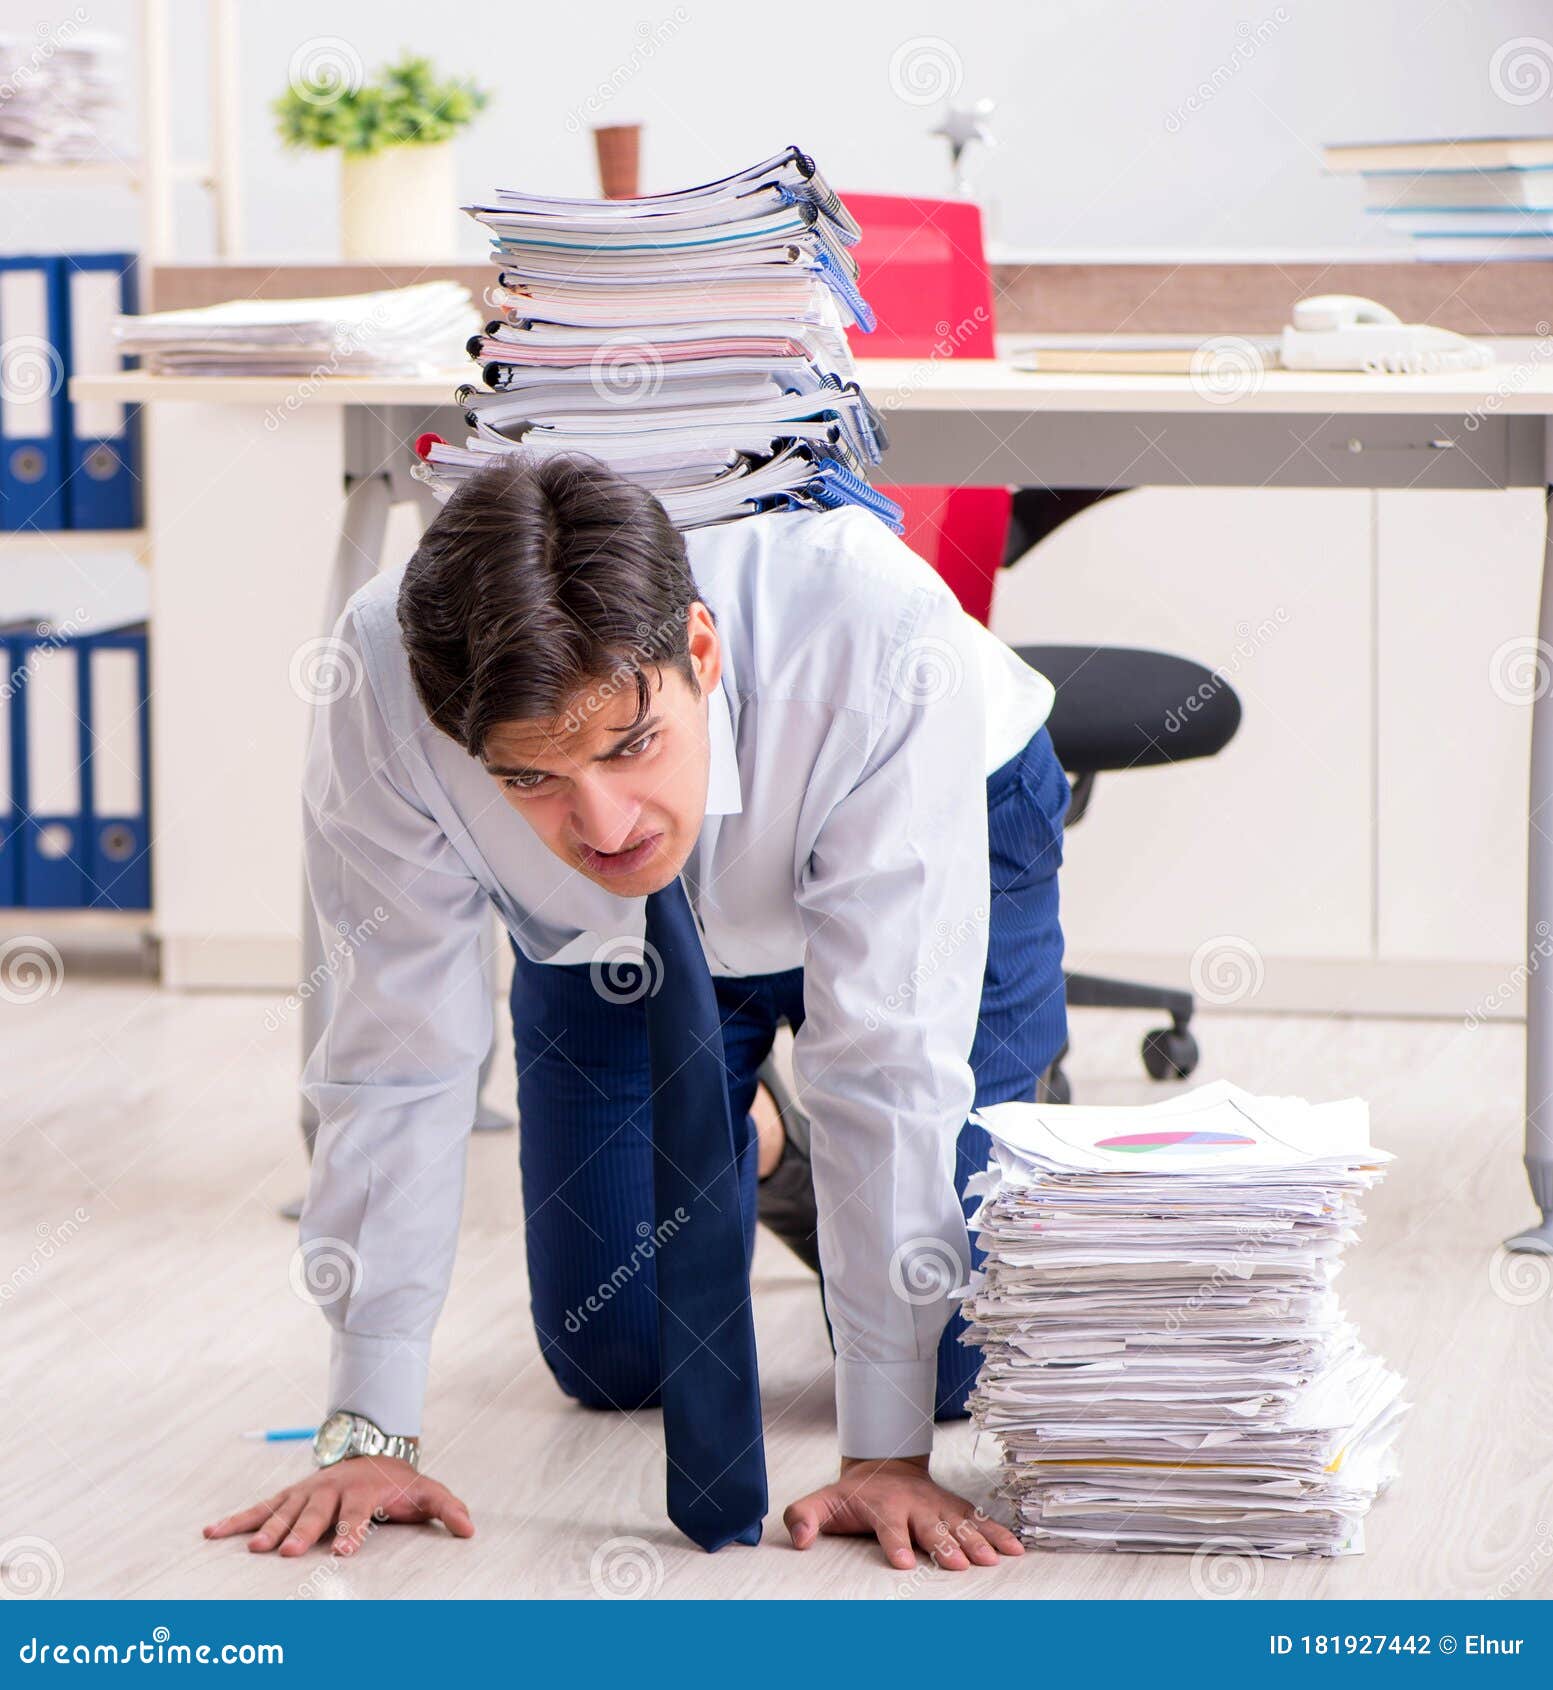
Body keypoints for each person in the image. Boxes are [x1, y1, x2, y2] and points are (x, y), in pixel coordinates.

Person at [204, 453, 1068, 1571]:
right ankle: (750, 1139)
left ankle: (1007, 1135)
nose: (605, 819)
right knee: (610, 1349)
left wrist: (885, 1456)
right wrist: (371, 1428)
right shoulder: (383, 690)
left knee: (958, 1352)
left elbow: (885, 1061)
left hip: (934, 814)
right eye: (529, 778)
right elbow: (392, 1052)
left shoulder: (875, 633)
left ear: (698, 654)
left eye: (629, 744)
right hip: (609, 937)